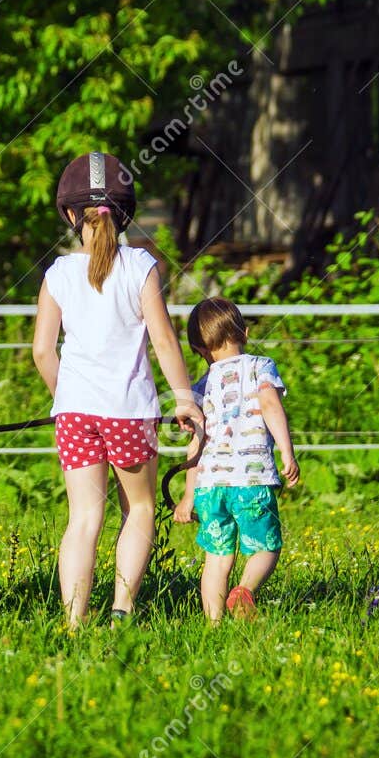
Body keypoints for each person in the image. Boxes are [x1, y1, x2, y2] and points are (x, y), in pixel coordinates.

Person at [31, 152, 202, 627]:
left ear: (70, 215)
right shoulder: (141, 266)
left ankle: (72, 622)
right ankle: (122, 610)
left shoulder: (58, 274)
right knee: (141, 508)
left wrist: (63, 398)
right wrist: (185, 399)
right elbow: (164, 341)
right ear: (125, 212)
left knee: (84, 518)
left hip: (76, 416)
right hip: (130, 413)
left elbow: (43, 352)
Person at [174, 297, 298, 621]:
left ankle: (215, 625)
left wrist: (188, 496)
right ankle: (244, 591)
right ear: (243, 332)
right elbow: (270, 405)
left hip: (210, 486)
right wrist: (287, 450)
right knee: (265, 546)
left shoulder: (201, 386)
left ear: (200, 350)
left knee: (216, 558)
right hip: (251, 481)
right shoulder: (261, 366)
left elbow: (195, 445)